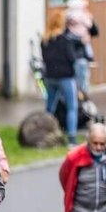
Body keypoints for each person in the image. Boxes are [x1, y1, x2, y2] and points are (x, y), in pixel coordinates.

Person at [41, 15, 84, 145]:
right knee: (72, 106)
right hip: (66, 78)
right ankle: (71, 137)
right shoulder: (65, 40)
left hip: (50, 77)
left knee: (50, 107)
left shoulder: (45, 40)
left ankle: (45, 134)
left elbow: (45, 58)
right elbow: (72, 59)